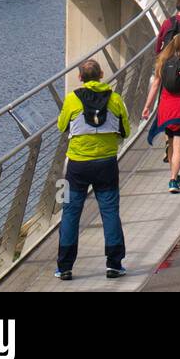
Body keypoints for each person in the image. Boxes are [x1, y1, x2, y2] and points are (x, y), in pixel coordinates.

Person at [54, 58, 130, 280]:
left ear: (80, 77)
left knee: (70, 213)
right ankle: (114, 264)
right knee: (110, 212)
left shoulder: (71, 100)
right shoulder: (115, 99)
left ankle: (65, 267)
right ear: (101, 74)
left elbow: (61, 126)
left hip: (77, 166)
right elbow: (125, 130)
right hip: (106, 164)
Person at [142, 34, 180, 193]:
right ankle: (173, 180)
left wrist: (147, 106)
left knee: (170, 143)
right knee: (179, 146)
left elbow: (155, 86)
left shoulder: (162, 62)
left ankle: (174, 174)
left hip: (166, 109)